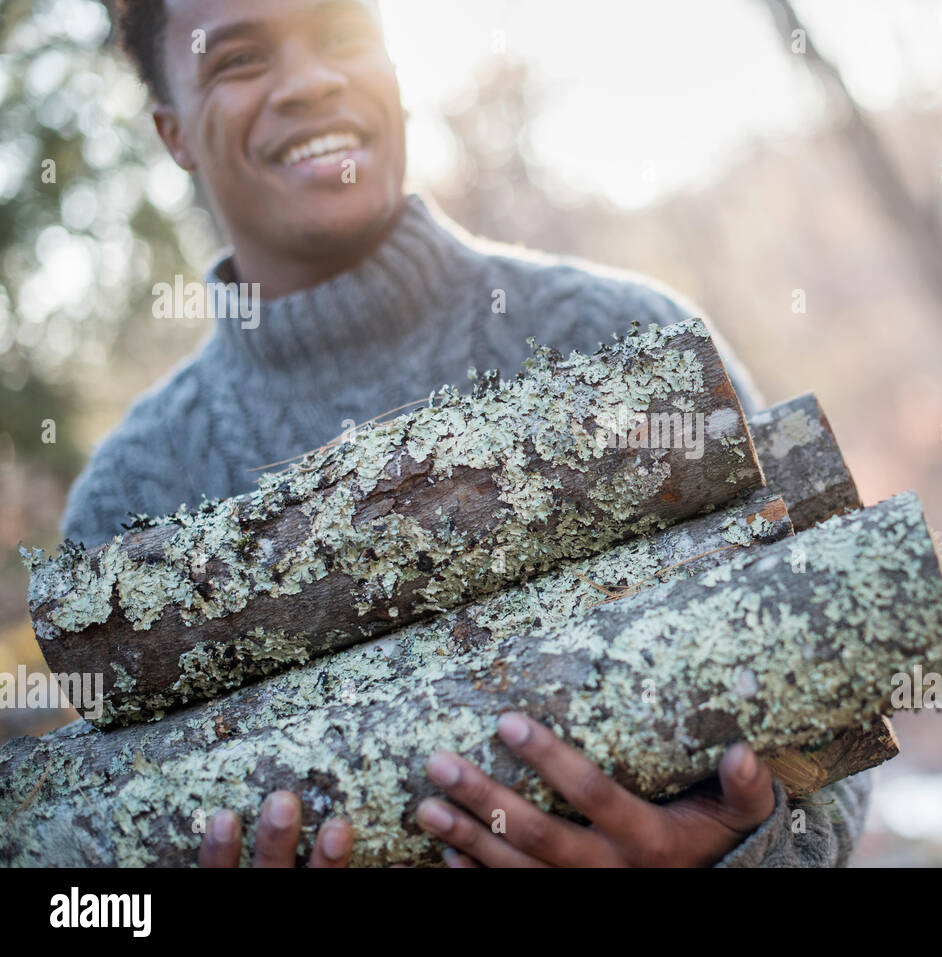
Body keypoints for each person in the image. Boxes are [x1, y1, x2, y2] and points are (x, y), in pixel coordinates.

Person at [62, 0, 872, 867]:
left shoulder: (624, 337)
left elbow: (839, 763)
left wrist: (733, 854)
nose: (309, 81)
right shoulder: (126, 510)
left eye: (339, 35)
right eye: (240, 60)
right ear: (174, 131)